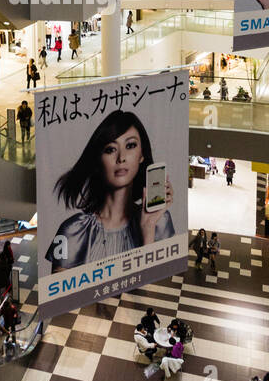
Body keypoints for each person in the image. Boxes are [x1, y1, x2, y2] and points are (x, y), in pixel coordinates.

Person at [46, 110, 175, 271]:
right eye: (110, 149)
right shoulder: (73, 230)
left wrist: (148, 230)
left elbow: (157, 292)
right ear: (98, 159)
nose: (121, 157)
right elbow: (59, 294)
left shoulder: (159, 222)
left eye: (130, 145)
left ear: (142, 155)